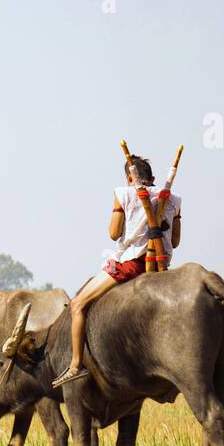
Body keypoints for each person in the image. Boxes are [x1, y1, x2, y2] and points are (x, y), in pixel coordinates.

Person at [48, 153, 182, 387]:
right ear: (152, 178)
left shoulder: (123, 194)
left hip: (131, 264)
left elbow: (113, 233)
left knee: (78, 304)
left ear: (130, 179)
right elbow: (177, 241)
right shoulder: (173, 199)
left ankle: (75, 365)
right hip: (160, 265)